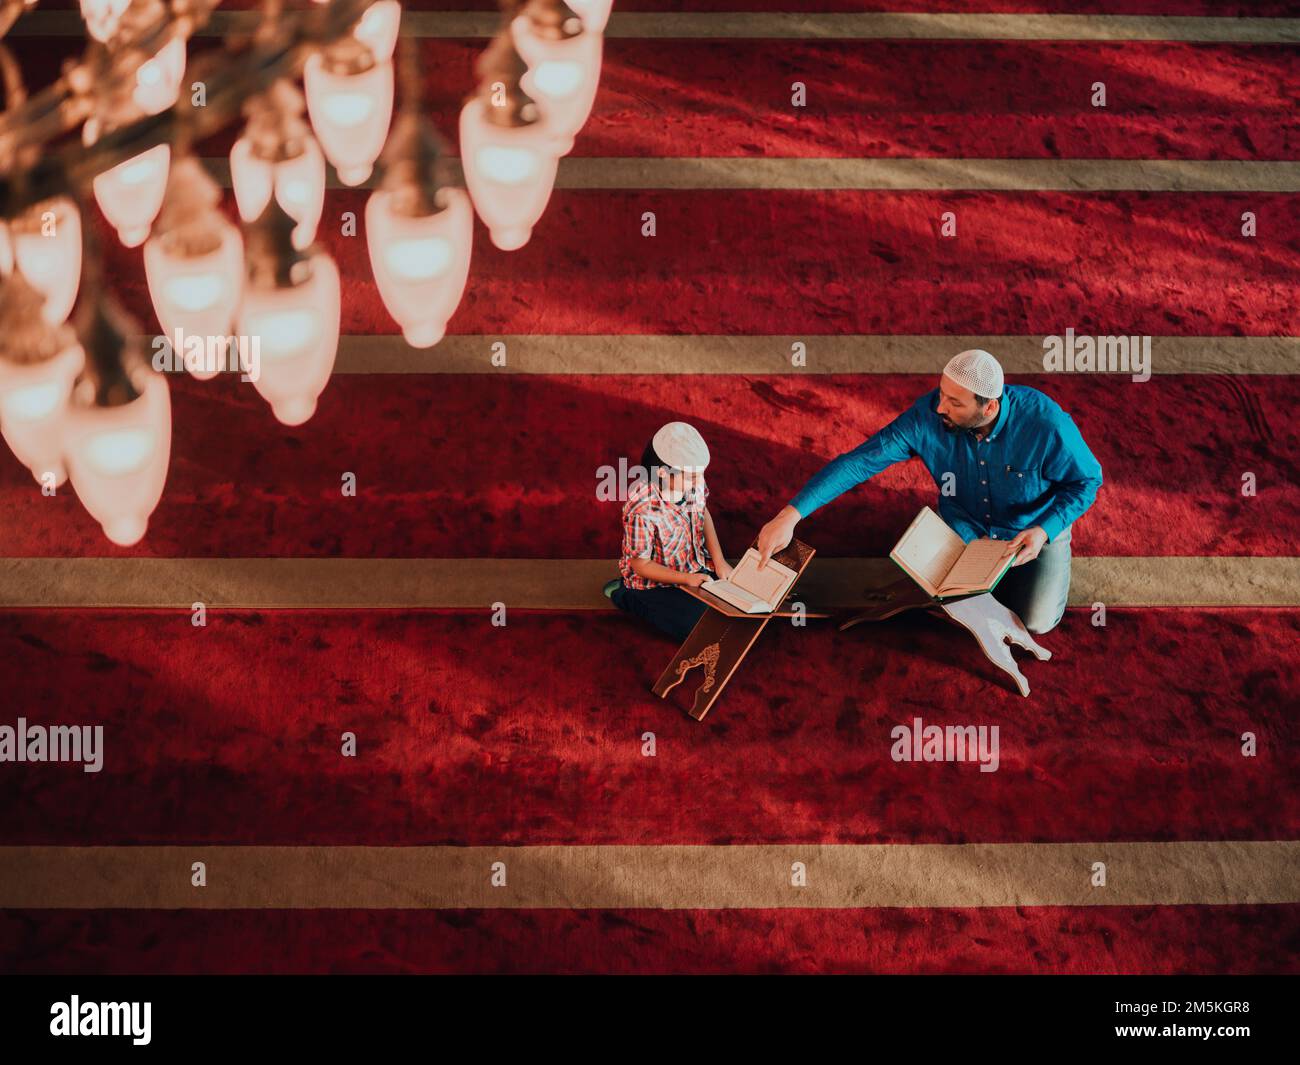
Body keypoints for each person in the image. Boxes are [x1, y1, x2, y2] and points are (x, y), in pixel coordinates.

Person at [755, 349, 1102, 634]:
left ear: (990, 407)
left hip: (1033, 528)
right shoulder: (927, 416)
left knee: (1035, 623)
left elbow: (1087, 481)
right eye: (941, 394)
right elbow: (860, 462)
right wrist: (790, 515)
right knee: (943, 603)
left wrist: (1046, 530)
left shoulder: (1046, 424)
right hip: (966, 525)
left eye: (954, 402)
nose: (940, 408)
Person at [604, 422, 733, 641]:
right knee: (697, 628)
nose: (700, 482)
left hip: (694, 568)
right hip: (655, 583)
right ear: (663, 473)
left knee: (734, 604)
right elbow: (641, 565)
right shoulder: (642, 509)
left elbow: (703, 514)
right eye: (693, 477)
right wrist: (685, 579)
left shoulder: (693, 484)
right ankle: (624, 594)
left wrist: (719, 562)